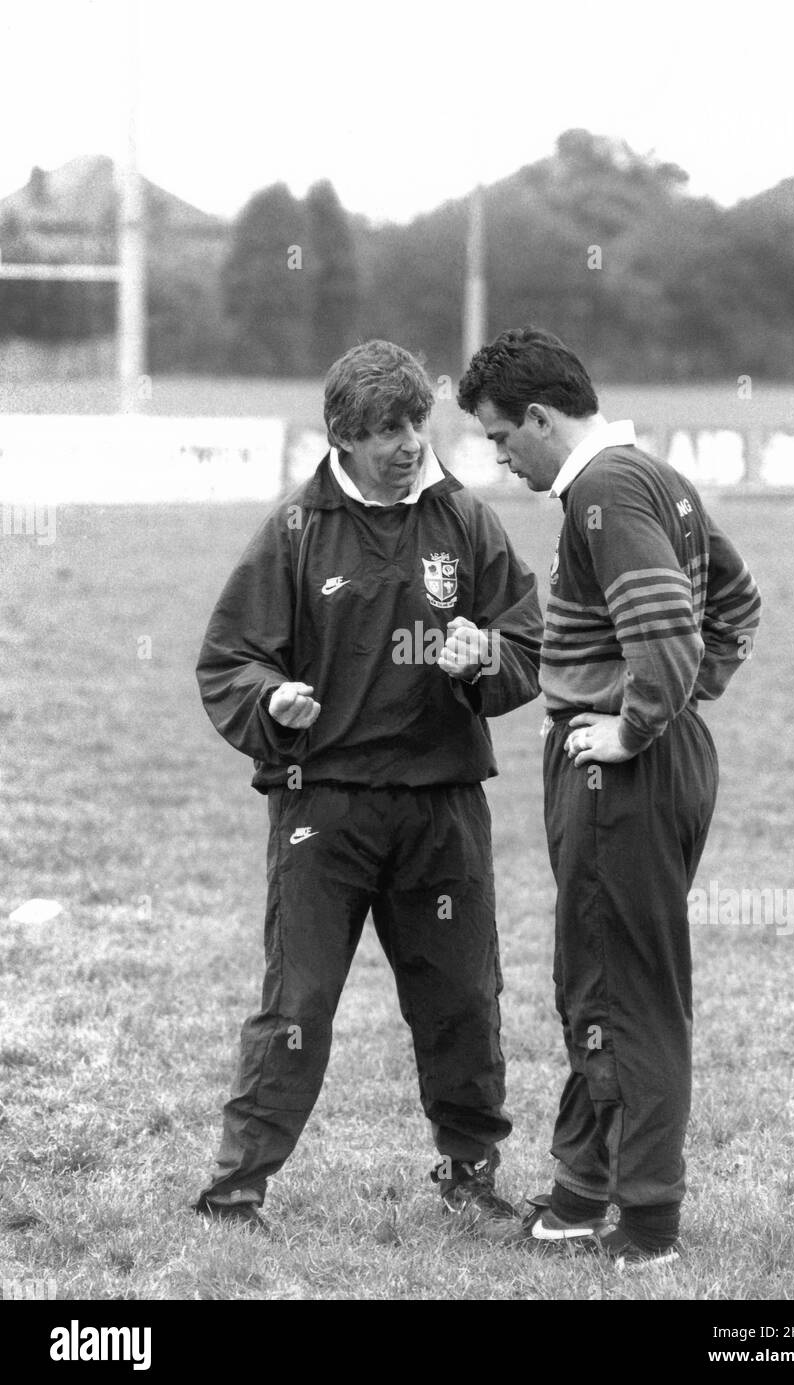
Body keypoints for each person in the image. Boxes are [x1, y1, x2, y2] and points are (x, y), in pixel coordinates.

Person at [192, 339, 543, 1231]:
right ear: (342, 438)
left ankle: (469, 1168)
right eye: (385, 429)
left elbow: (528, 638)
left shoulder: (462, 519)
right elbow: (229, 658)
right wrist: (272, 702)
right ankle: (238, 1186)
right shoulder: (296, 531)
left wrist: (487, 657)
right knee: (299, 1001)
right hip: (327, 808)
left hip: (441, 807)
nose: (405, 444)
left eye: (414, 423)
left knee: (462, 995)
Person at [457, 326, 761, 1267]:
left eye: (502, 438)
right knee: (597, 978)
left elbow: (669, 627)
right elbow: (739, 605)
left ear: (541, 417)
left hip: (620, 770)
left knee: (625, 992)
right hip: (649, 761)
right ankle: (580, 1196)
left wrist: (636, 724)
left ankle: (646, 1223)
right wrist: (673, 707)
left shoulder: (603, 490)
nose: (500, 460)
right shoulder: (654, 475)